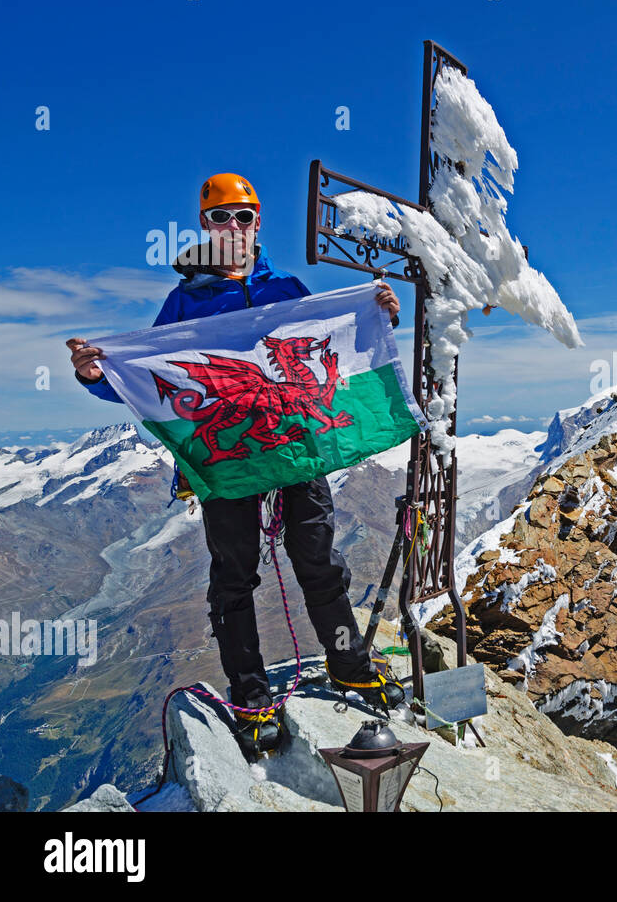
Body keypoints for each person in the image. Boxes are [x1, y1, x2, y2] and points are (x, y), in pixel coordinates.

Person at [66, 173, 406, 756]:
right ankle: (250, 697)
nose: (232, 228)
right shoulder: (184, 304)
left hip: (296, 446)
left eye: (242, 216)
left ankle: (350, 665)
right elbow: (150, 383)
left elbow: (325, 349)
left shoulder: (289, 288)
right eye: (220, 217)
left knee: (320, 560)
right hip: (228, 462)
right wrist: (95, 375)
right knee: (234, 577)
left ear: (257, 223)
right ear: (205, 225)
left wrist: (374, 319)